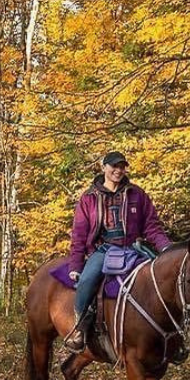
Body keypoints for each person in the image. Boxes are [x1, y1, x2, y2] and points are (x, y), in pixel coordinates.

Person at [64, 151, 172, 352]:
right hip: (103, 250)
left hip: (134, 249)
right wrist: (76, 265)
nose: (118, 170)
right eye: (114, 166)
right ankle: (79, 328)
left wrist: (165, 247)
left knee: (162, 280)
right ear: (103, 167)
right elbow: (79, 234)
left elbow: (152, 226)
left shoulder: (137, 194)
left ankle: (172, 337)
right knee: (86, 281)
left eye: (122, 166)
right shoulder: (88, 198)